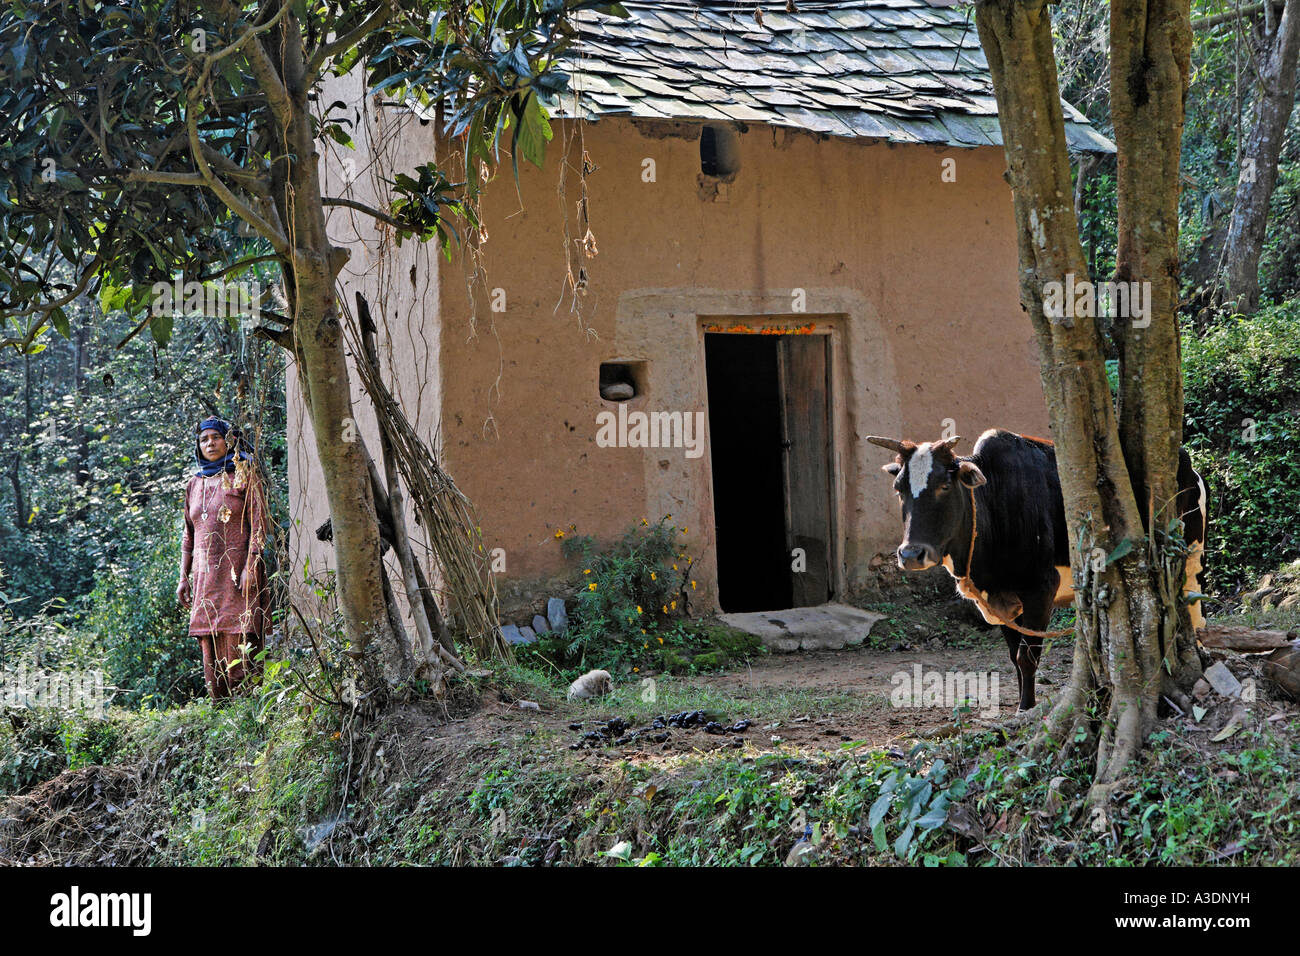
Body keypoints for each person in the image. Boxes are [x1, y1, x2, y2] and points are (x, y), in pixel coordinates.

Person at [176, 417, 271, 701]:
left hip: (238, 574)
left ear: (228, 441)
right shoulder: (194, 483)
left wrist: (251, 565)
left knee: (240, 639)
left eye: (215, 437)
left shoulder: (243, 473)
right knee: (211, 644)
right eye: (204, 439)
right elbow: (188, 535)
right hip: (205, 580)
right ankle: (219, 711)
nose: (210, 443)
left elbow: (259, 523)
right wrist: (183, 576)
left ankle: (249, 714)